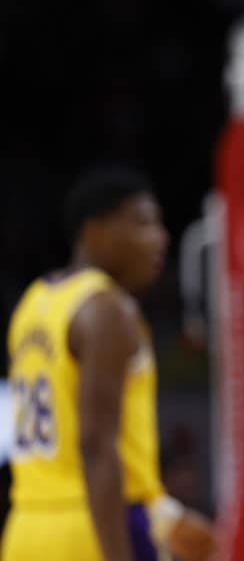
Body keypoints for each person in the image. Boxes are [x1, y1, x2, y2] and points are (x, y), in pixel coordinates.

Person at [2, 168, 217, 561]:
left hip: (25, 529)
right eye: (142, 223)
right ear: (95, 231)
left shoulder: (32, 304)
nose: (160, 238)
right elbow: (95, 445)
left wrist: (166, 517)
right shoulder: (107, 309)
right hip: (94, 529)